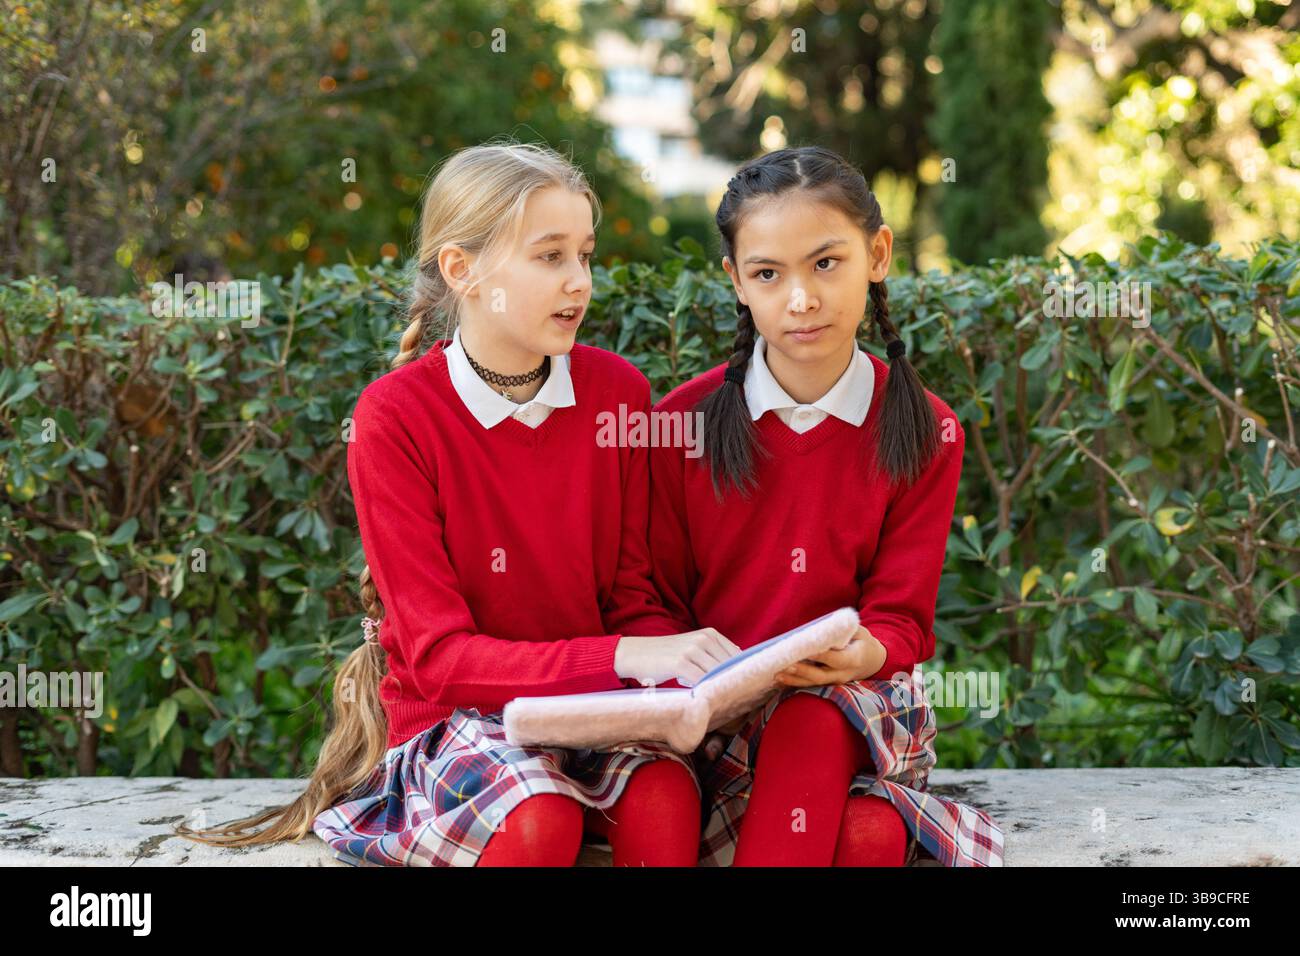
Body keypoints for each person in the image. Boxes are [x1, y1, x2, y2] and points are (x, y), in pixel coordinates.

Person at [649, 146, 1005, 867]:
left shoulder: (924, 428)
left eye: (826, 263)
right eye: (768, 274)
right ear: (737, 283)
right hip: (709, 711)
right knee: (864, 839)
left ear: (877, 254)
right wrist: (710, 679)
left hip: (854, 703)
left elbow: (901, 619)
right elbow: (648, 602)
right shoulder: (680, 424)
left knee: (809, 724)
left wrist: (861, 650)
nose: (801, 299)